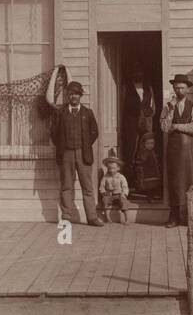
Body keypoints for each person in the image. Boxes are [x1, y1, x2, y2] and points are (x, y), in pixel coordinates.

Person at [50, 80, 105, 227]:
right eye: (71, 93)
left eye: (76, 94)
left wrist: (85, 145)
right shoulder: (60, 112)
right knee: (67, 185)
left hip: (83, 154)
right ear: (68, 95)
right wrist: (62, 146)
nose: (74, 96)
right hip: (66, 153)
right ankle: (67, 216)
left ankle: (92, 217)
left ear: (80, 95)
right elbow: (53, 133)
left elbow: (95, 132)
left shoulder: (87, 113)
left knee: (87, 187)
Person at [160, 72, 193, 228]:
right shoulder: (167, 106)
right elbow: (164, 127)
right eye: (176, 88)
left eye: (182, 88)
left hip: (190, 150)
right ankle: (174, 217)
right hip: (174, 150)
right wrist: (170, 111)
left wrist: (177, 126)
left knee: (191, 181)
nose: (179, 91)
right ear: (173, 88)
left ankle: (191, 217)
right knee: (175, 182)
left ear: (187, 89)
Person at [119, 64, 155, 197]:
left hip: (145, 123)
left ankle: (145, 186)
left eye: (140, 72)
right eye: (135, 72)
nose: (138, 74)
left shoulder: (148, 88)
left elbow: (153, 107)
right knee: (131, 152)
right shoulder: (125, 88)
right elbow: (121, 107)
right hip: (131, 123)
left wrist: (147, 120)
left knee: (145, 152)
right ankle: (130, 185)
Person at [99, 148, 137, 224]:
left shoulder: (121, 177)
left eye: (113, 168)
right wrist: (104, 193)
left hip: (119, 194)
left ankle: (127, 219)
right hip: (109, 195)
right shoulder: (105, 177)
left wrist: (124, 194)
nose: (111, 170)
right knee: (105, 200)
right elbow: (102, 187)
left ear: (118, 168)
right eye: (110, 168)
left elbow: (125, 187)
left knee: (124, 202)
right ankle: (108, 218)